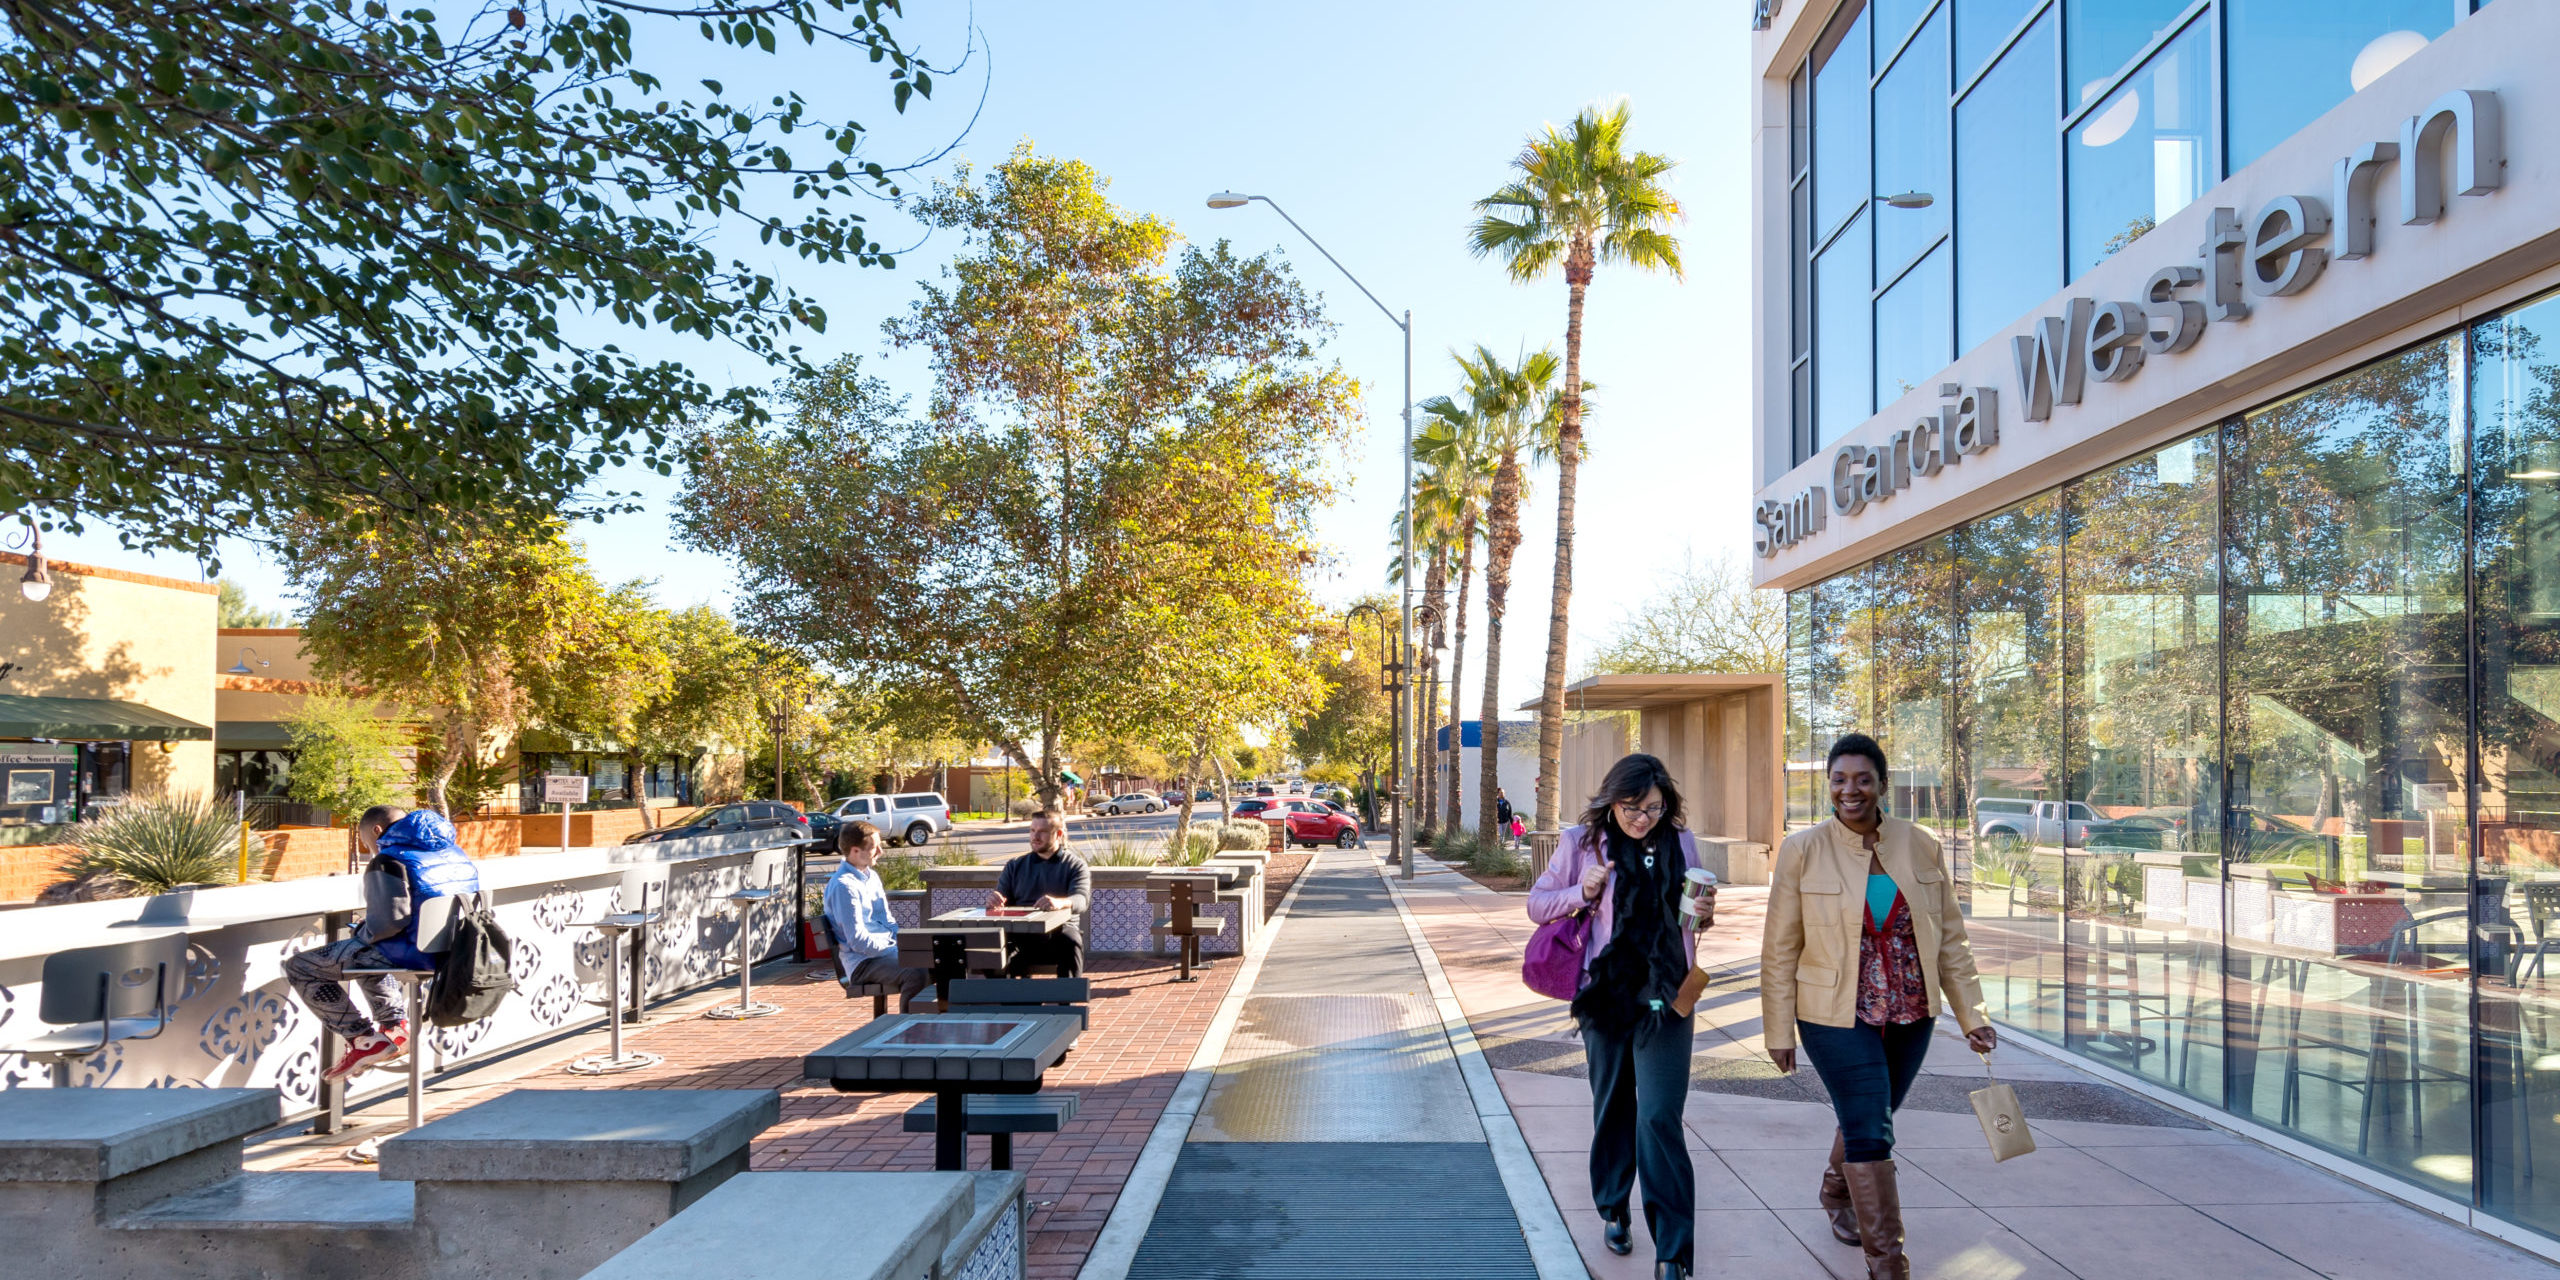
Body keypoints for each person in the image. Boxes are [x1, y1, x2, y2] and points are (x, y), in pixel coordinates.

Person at [1762, 733, 1994, 1280]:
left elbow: (1952, 939)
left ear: (1882, 785)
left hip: (1912, 1010)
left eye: (1863, 779)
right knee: (1872, 1130)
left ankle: (1836, 1189)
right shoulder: (1803, 849)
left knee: (1872, 1114)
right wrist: (1778, 1028)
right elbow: (1779, 948)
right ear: (1828, 784)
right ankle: (1889, 1267)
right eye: (1840, 779)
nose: (1851, 790)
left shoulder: (1920, 844)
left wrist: (1972, 1015)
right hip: (1832, 1011)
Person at [1526, 754, 1713, 1280]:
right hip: (1605, 996)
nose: (1641, 819)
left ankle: (1673, 1252)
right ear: (1612, 800)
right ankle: (1613, 1207)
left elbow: (1690, 918)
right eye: (1632, 808)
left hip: (1667, 996)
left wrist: (1703, 912)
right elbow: (1537, 905)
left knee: (1658, 1115)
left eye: (1653, 808)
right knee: (1613, 1107)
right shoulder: (1580, 844)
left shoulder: (1680, 842)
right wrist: (1578, 891)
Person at [282, 806, 482, 1081]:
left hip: (411, 953)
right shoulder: (454, 852)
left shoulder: (389, 860)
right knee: (362, 952)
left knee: (301, 965)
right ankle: (395, 1027)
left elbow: (390, 923)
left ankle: (362, 1039)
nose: (370, 850)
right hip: (452, 951)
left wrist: (363, 931)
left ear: (377, 831)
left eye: (367, 844)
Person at [822, 821, 930, 1007]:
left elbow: (887, 921)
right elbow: (858, 941)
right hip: (863, 963)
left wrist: (905, 945)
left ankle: (934, 1025)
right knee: (916, 972)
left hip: (884, 954)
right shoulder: (844, 887)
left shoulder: (871, 877)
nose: (881, 851)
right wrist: (894, 948)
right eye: (874, 847)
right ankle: (906, 1029)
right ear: (855, 851)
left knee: (939, 962)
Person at [989, 807, 1091, 977]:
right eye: (1032, 830)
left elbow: (1081, 900)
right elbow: (1002, 898)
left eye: (1042, 832)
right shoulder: (1015, 865)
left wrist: (1060, 903)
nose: (1035, 837)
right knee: (991, 945)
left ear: (1058, 834)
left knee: (1072, 941)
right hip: (1022, 935)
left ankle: (1068, 1001)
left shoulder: (1075, 865)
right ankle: (1009, 1000)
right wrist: (995, 901)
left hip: (1058, 933)